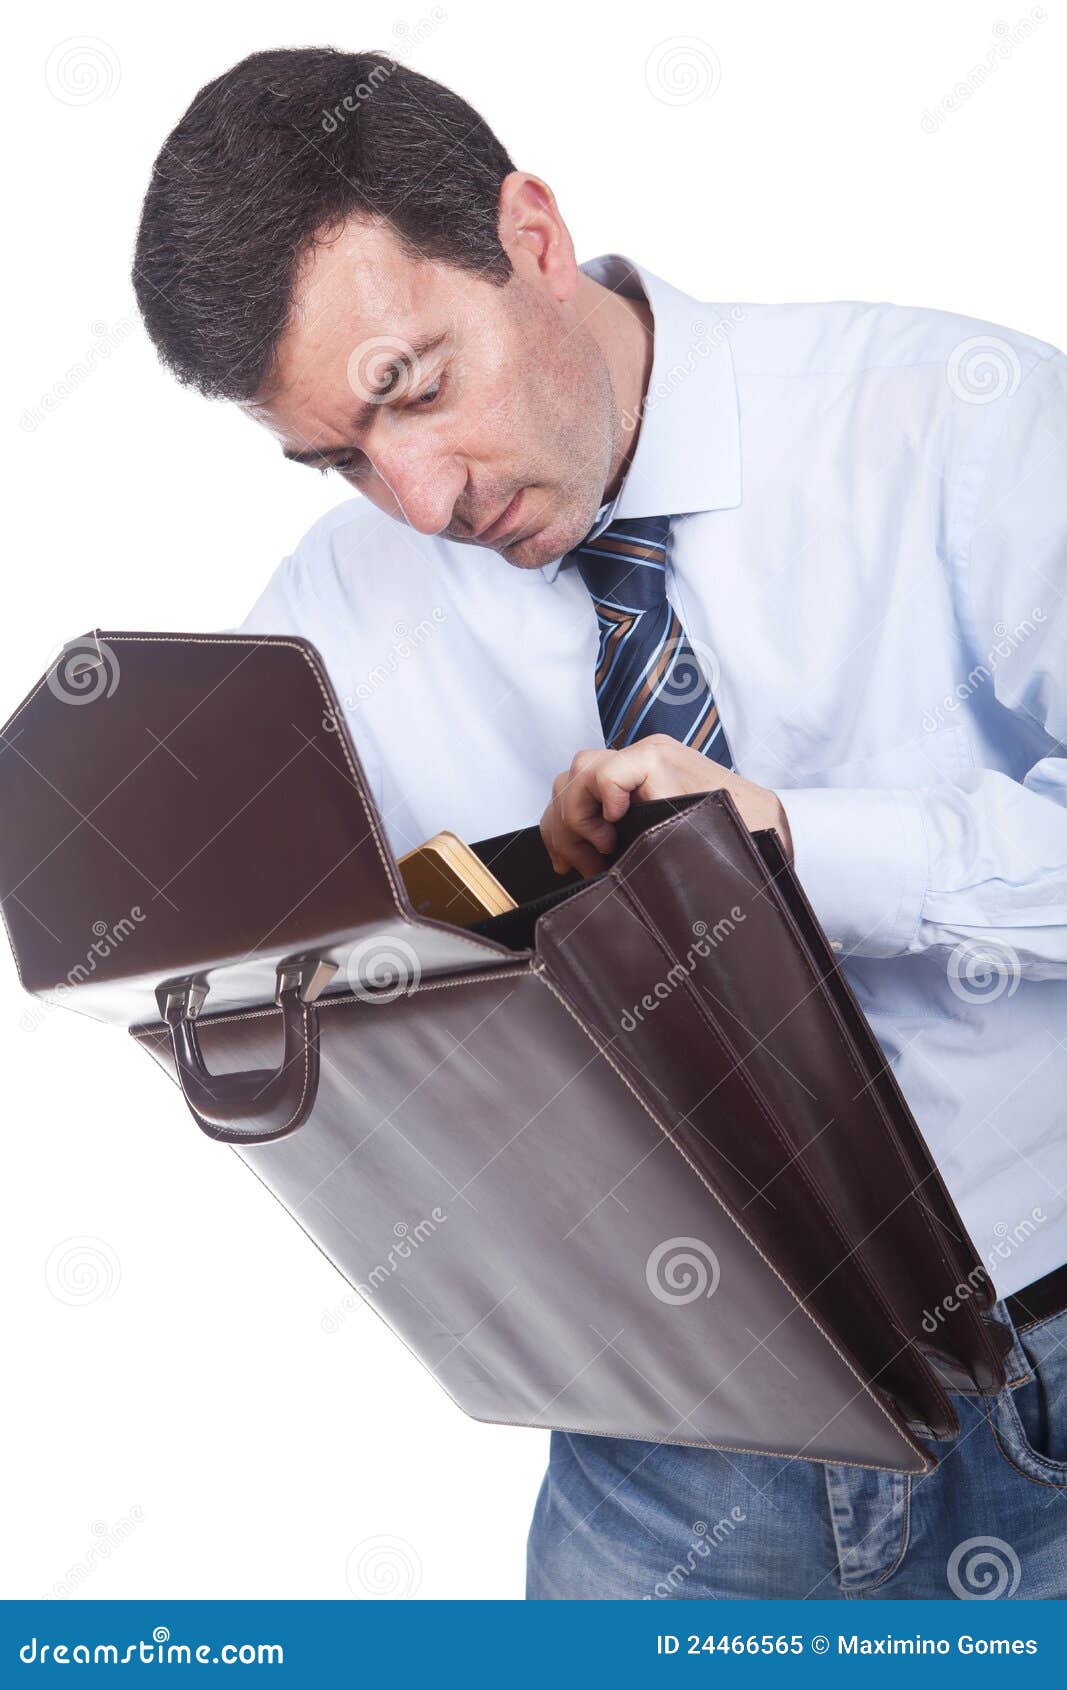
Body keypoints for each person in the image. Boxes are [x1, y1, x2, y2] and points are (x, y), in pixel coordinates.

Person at [132, 47, 1067, 1599]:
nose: (419, 497)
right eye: (341, 460)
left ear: (534, 237)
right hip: (668, 1450)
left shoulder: (956, 427)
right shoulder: (321, 629)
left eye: (413, 387)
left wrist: (792, 851)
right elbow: (279, 981)